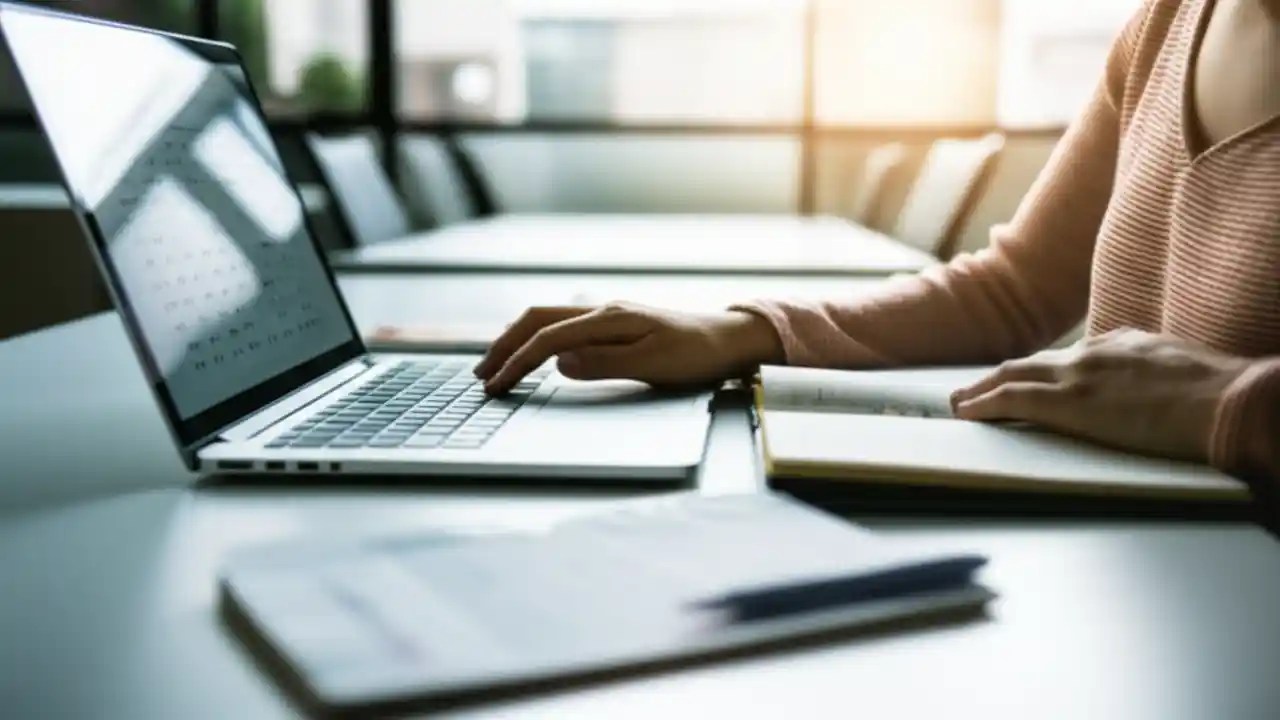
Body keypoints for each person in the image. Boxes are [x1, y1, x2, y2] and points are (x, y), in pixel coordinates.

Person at [474, 0, 1280, 486]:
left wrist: (1233, 406)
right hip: (1137, 555)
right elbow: (1013, 291)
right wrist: (743, 331)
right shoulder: (1168, 21)